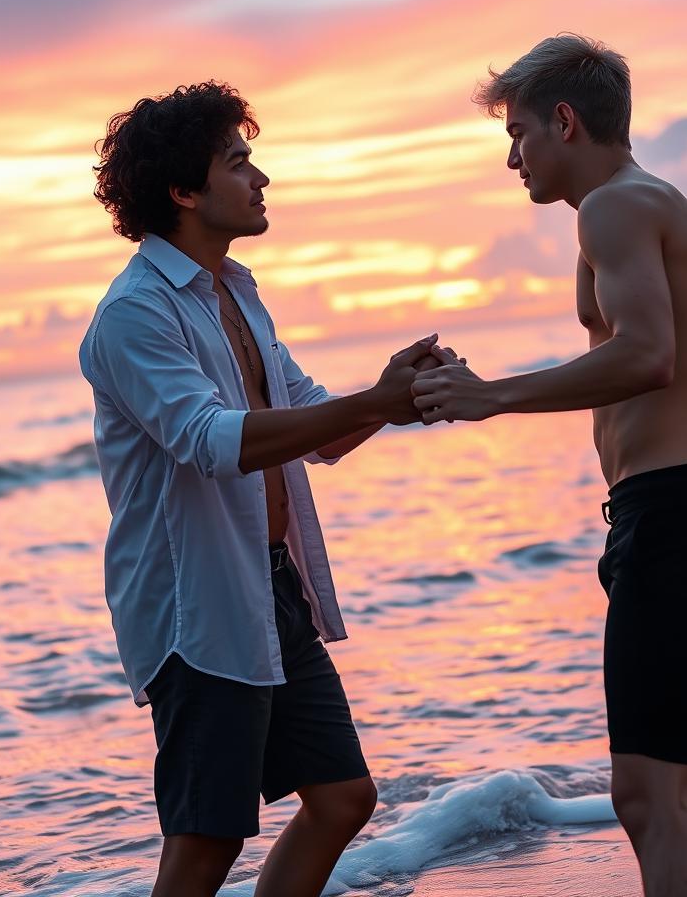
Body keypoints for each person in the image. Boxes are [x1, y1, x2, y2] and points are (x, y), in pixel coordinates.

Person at [410, 35, 687, 897]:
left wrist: (493, 396)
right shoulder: (661, 203)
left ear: (565, 121)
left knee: (646, 796)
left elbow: (647, 356)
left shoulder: (613, 209)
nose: (512, 158)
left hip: (676, 513)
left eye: (518, 134)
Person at [79, 81, 454, 897]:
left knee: (342, 798)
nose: (262, 179)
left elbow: (317, 430)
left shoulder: (237, 295)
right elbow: (212, 442)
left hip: (269, 586)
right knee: (206, 842)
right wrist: (376, 405)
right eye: (239, 162)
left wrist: (397, 396)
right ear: (183, 190)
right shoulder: (134, 315)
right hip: (197, 610)